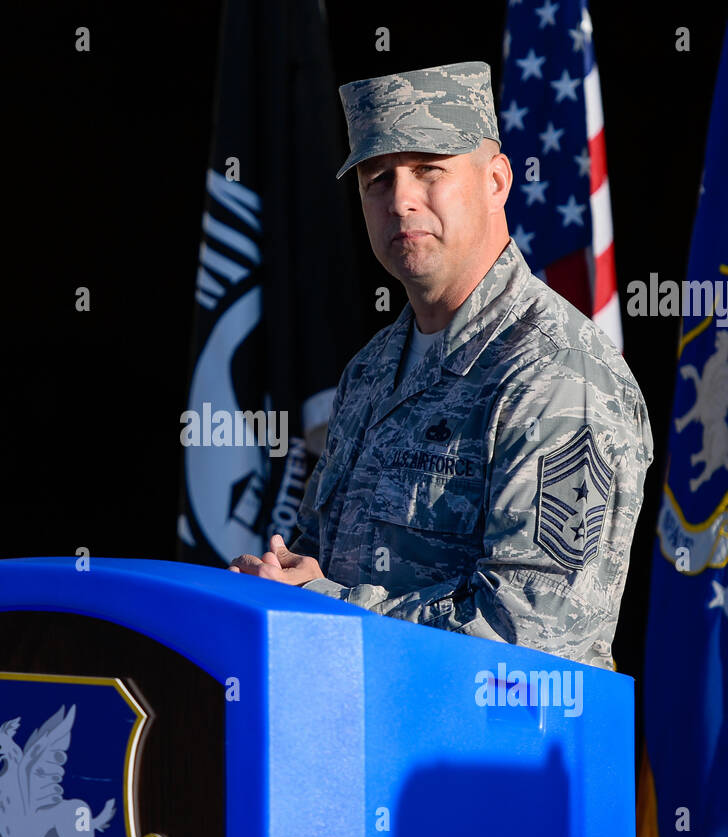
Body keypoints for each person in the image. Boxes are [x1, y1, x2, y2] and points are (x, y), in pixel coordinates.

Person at [227, 61, 653, 670]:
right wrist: (274, 580)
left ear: (497, 181)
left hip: (492, 752)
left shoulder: (559, 374)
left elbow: (531, 638)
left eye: (430, 170)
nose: (401, 199)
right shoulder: (371, 370)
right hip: (358, 736)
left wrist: (325, 607)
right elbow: (316, 553)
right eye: (377, 179)